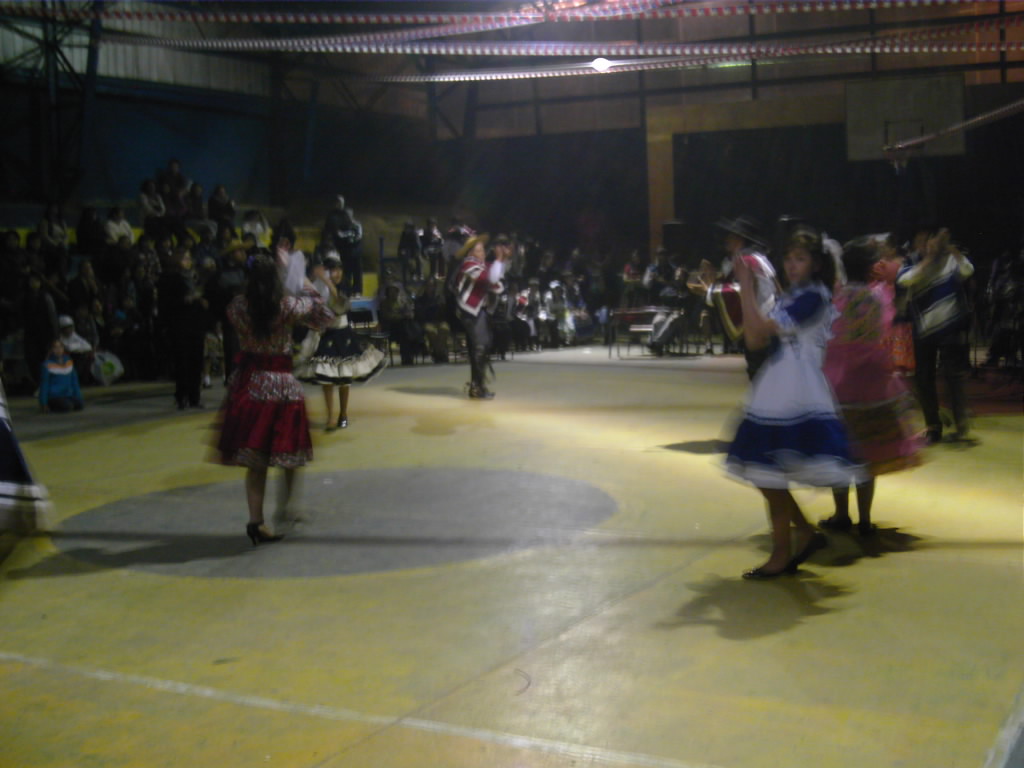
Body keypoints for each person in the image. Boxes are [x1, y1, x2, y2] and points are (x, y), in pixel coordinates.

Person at [725, 225, 860, 579]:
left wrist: (745, 287)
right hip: (778, 383)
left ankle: (785, 549)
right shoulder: (791, 297)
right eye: (788, 257)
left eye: (800, 258)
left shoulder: (814, 296)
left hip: (797, 388)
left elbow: (758, 330)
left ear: (816, 263)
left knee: (766, 469)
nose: (791, 264)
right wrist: (749, 290)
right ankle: (801, 533)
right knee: (765, 471)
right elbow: (753, 339)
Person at [212, 250, 332, 545]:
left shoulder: (238, 306)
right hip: (282, 386)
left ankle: (256, 521)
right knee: (290, 452)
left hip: (250, 383)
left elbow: (232, 317)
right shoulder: (287, 306)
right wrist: (298, 275)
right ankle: (289, 507)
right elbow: (322, 309)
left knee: (256, 460)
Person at [821, 237, 924, 535]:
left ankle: (842, 515)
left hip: (840, 378)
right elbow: (884, 329)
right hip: (874, 379)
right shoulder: (878, 297)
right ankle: (865, 519)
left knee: (840, 452)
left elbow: (829, 336)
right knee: (868, 453)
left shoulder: (837, 298)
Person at [897, 227, 975, 443]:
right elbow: (905, 280)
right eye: (922, 241)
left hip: (951, 326)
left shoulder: (951, 260)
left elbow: (968, 270)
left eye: (931, 240)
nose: (927, 245)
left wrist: (953, 251)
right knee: (923, 378)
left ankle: (960, 426)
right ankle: (933, 427)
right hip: (924, 329)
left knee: (953, 376)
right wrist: (929, 259)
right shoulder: (911, 262)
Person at [295, 253, 387, 430]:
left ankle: (343, 413)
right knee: (326, 378)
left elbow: (339, 305)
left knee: (344, 378)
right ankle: (330, 416)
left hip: (343, 334)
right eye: (331, 270)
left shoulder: (343, 286)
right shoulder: (320, 287)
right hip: (326, 335)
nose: (335, 273)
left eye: (338, 269)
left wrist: (327, 282)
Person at [454, 234, 505, 398]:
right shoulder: (469, 265)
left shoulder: (480, 265)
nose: (483, 252)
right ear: (471, 253)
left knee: (480, 346)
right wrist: (498, 260)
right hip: (469, 310)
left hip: (475, 310)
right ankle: (477, 387)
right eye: (479, 250)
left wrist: (499, 261)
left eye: (483, 249)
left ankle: (477, 385)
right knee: (480, 346)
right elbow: (489, 277)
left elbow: (495, 281)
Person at [157, 246, 208, 410]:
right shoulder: (169, 278)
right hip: (179, 324)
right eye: (184, 258)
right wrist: (184, 300)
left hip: (195, 324)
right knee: (182, 362)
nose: (188, 261)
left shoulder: (194, 278)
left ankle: (195, 397)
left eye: (189, 258)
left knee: (196, 361)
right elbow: (165, 303)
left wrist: (201, 301)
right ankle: (182, 396)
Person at [38, 339, 84, 413]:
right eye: (55, 348)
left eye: (60, 347)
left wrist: (78, 396)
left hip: (67, 395)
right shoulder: (47, 365)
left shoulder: (68, 362)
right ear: (51, 350)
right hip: (54, 396)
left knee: (80, 404)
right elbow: (44, 384)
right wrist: (43, 403)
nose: (58, 350)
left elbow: (74, 382)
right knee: (67, 406)